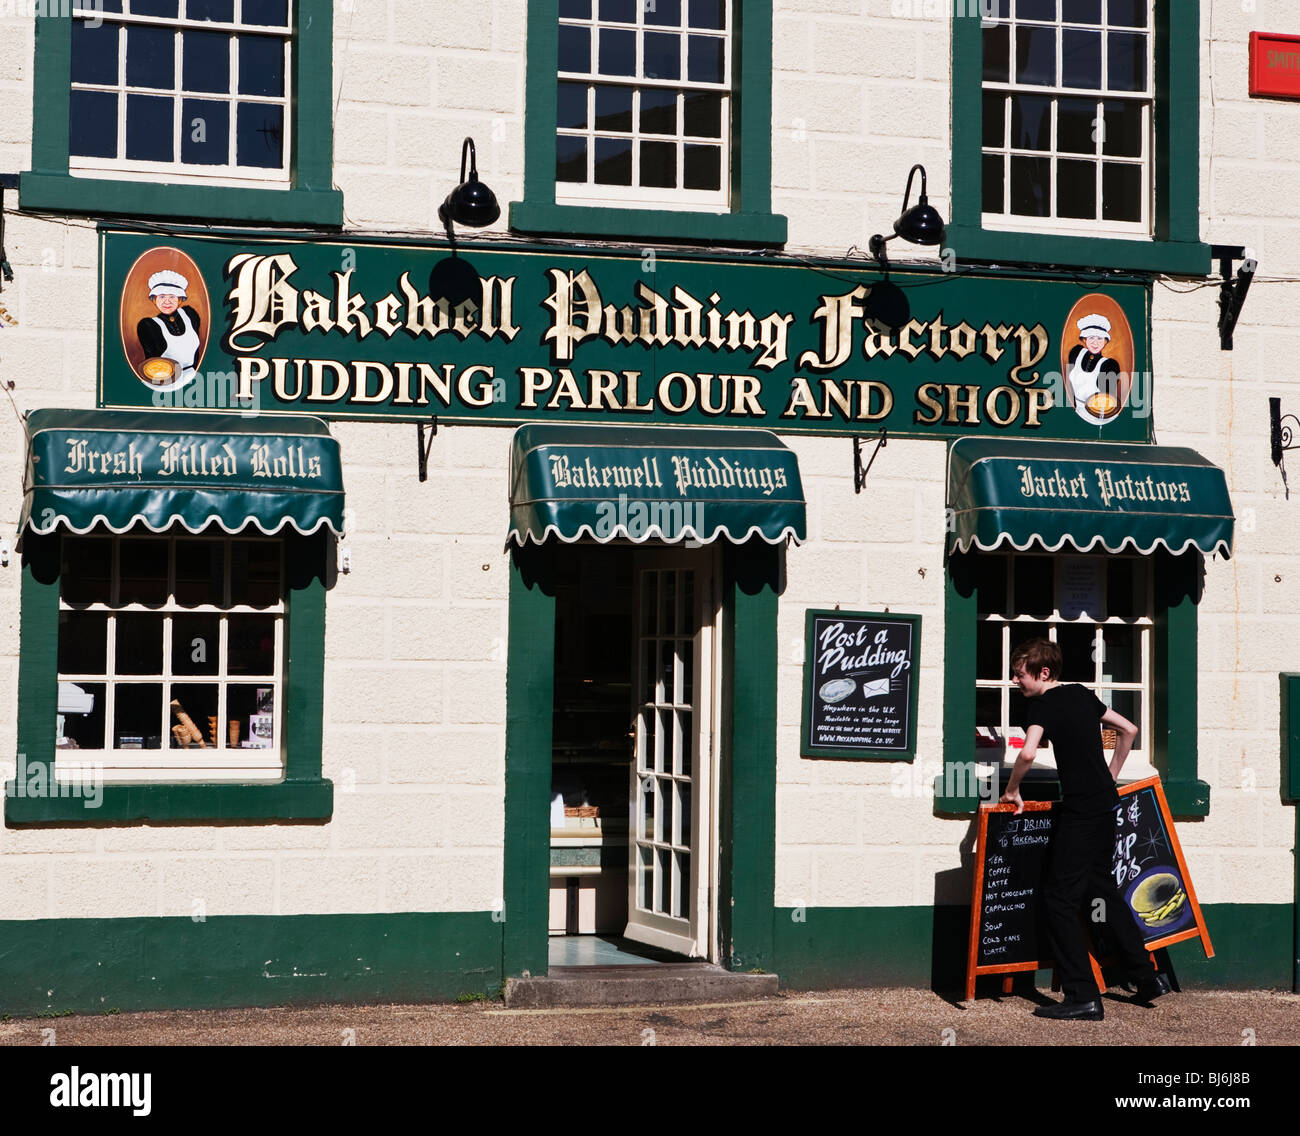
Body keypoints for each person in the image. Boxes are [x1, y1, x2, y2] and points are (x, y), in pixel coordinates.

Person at [999, 637, 1170, 1020]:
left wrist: (1012, 789)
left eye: (1019, 673)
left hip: (1081, 811)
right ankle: (1147, 976)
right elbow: (1129, 728)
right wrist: (1111, 775)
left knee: (1059, 900)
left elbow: (1027, 752)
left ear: (1043, 672)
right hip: (1105, 804)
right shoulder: (1080, 693)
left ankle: (1082, 996)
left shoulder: (1042, 704)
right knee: (1101, 889)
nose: (1014, 680)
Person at [136, 269, 201, 384]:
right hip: (164, 383)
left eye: (172, 297)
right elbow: (152, 364)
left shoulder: (190, 315)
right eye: (161, 297)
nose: (167, 302)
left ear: (180, 299)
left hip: (193, 376)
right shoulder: (149, 326)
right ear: (154, 300)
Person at [1066, 313, 1121, 415]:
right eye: (1091, 338)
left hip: (1096, 417)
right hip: (1076, 412)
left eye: (1099, 338)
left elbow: (1108, 401)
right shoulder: (1076, 353)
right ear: (1084, 339)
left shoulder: (1109, 366)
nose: (1095, 343)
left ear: (1105, 341)